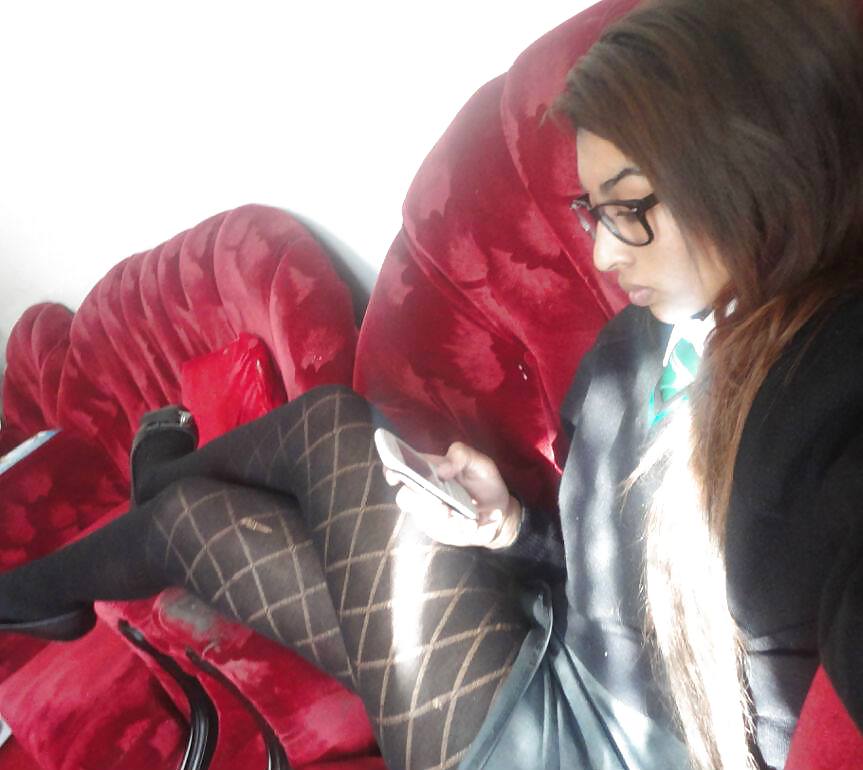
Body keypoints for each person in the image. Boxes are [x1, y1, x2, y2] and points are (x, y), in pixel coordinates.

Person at [2, 0, 863, 768]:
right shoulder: (633, 349)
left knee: (298, 449)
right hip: (551, 648)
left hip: (584, 749)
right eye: (591, 213)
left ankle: (76, 552)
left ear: (746, 166)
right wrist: (509, 526)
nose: (604, 253)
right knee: (250, 483)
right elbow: (611, 579)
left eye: (628, 207)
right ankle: (108, 531)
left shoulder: (829, 380)